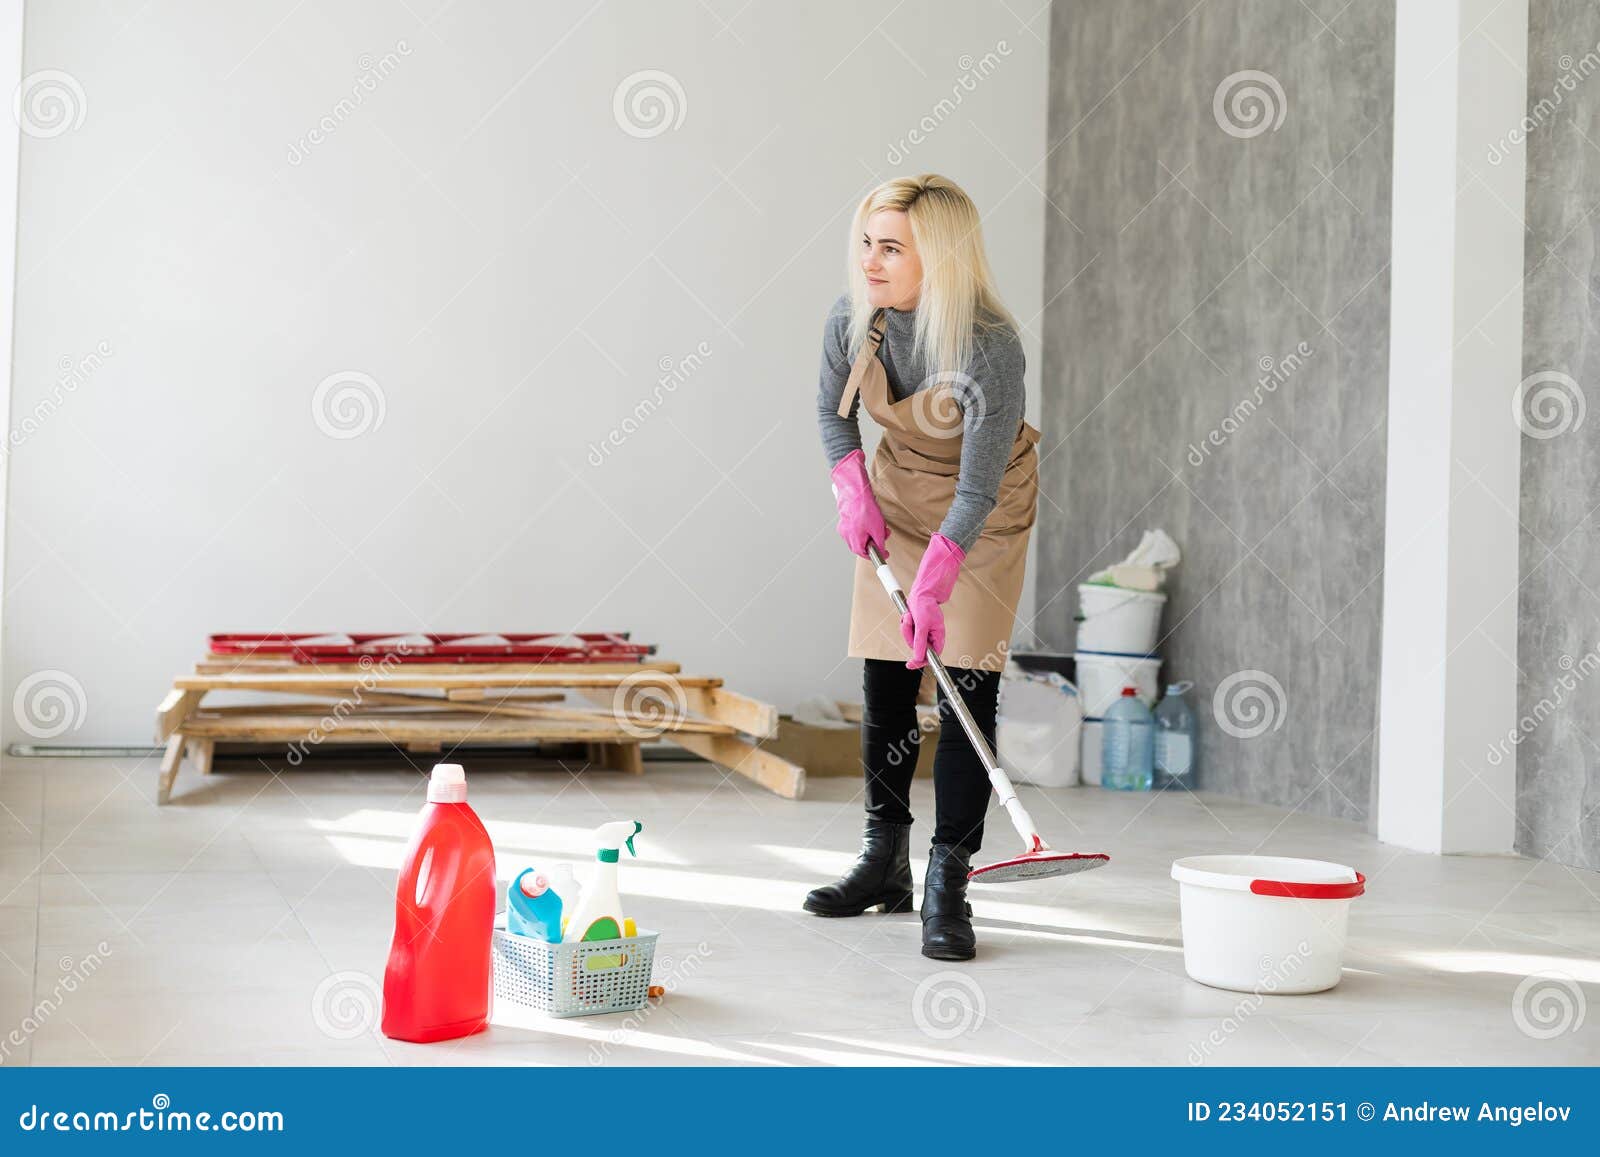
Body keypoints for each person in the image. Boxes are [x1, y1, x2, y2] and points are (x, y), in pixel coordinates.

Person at [804, 174, 1040, 961]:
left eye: (891, 247)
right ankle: (884, 863)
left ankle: (950, 877)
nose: (870, 261)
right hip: (899, 487)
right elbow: (830, 414)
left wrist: (940, 575)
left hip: (987, 508)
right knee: (884, 676)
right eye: (867, 242)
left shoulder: (989, 344)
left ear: (936, 258)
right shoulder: (854, 318)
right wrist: (851, 487)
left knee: (967, 680)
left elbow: (977, 484)